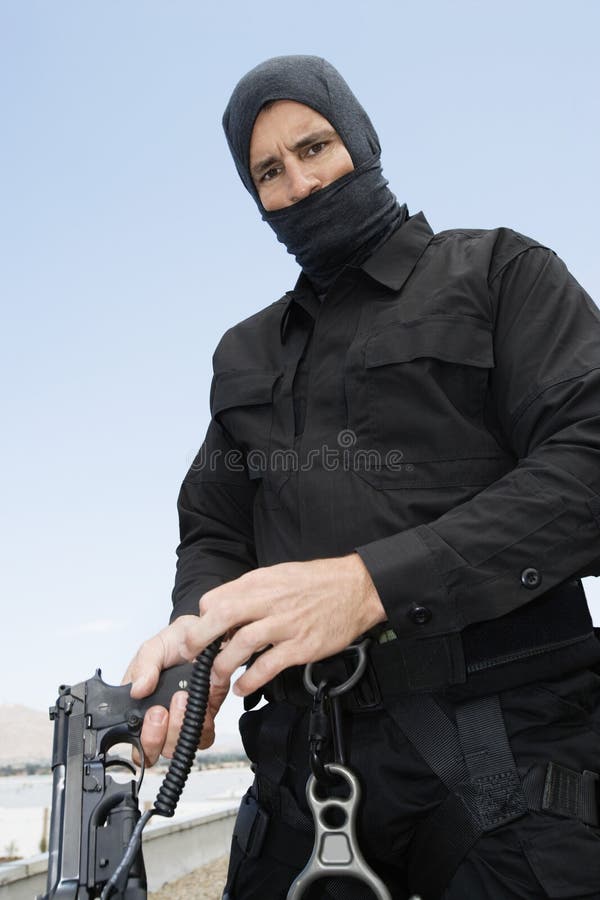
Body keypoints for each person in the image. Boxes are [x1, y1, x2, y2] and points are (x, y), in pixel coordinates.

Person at [124, 56, 600, 899]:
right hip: (306, 768)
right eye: (268, 171)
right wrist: (190, 645)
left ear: (363, 142)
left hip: (508, 757)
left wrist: (370, 586)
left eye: (315, 147)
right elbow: (215, 529)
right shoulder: (244, 354)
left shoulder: (499, 272)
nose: (301, 184)